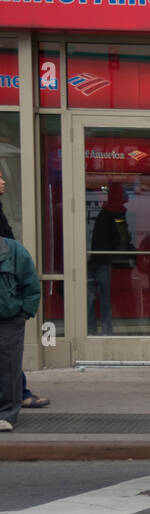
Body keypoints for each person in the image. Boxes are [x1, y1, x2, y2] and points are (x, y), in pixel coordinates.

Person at [0, 168, 49, 408]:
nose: (2, 183)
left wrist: (23, 310)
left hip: (8, 303)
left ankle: (18, 393)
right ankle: (17, 395)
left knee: (8, 353)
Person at [0, 218, 40, 432]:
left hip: (8, 321)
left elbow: (31, 286)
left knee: (8, 369)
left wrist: (24, 314)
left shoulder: (15, 251)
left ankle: (6, 415)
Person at [88, 182, 133, 335]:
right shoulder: (117, 211)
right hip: (104, 260)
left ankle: (91, 330)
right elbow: (121, 237)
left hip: (94, 258)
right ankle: (107, 331)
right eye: (124, 192)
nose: (126, 195)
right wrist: (131, 250)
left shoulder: (105, 210)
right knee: (104, 298)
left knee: (91, 298)